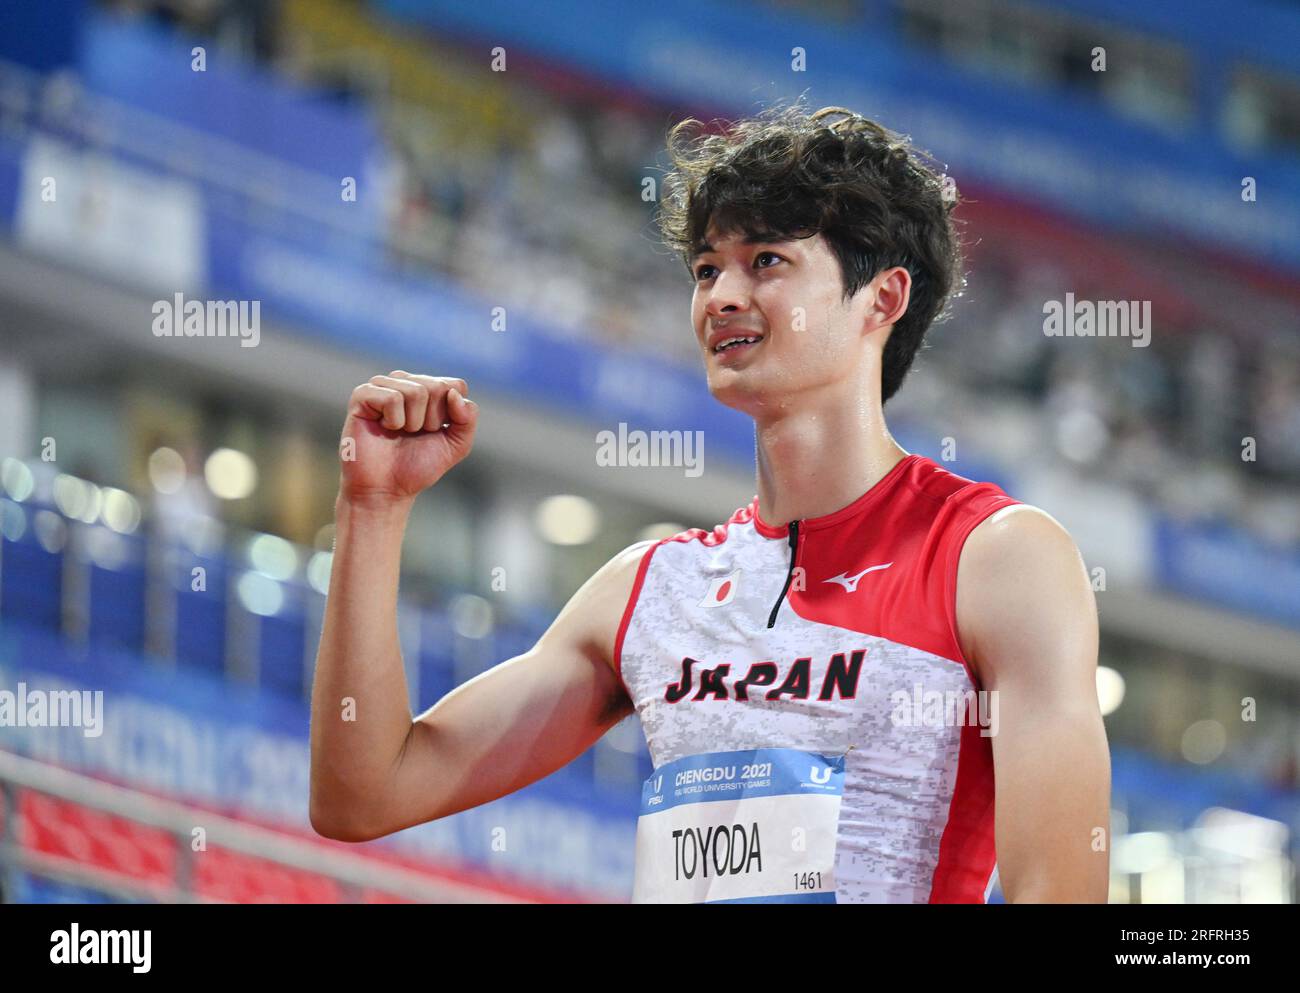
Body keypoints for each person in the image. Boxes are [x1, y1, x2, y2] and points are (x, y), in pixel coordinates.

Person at [308, 103, 1111, 904]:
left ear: (883, 298)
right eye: (705, 269)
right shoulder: (649, 590)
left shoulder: (997, 557)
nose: (721, 295)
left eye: (766, 261)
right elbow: (366, 793)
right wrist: (371, 512)